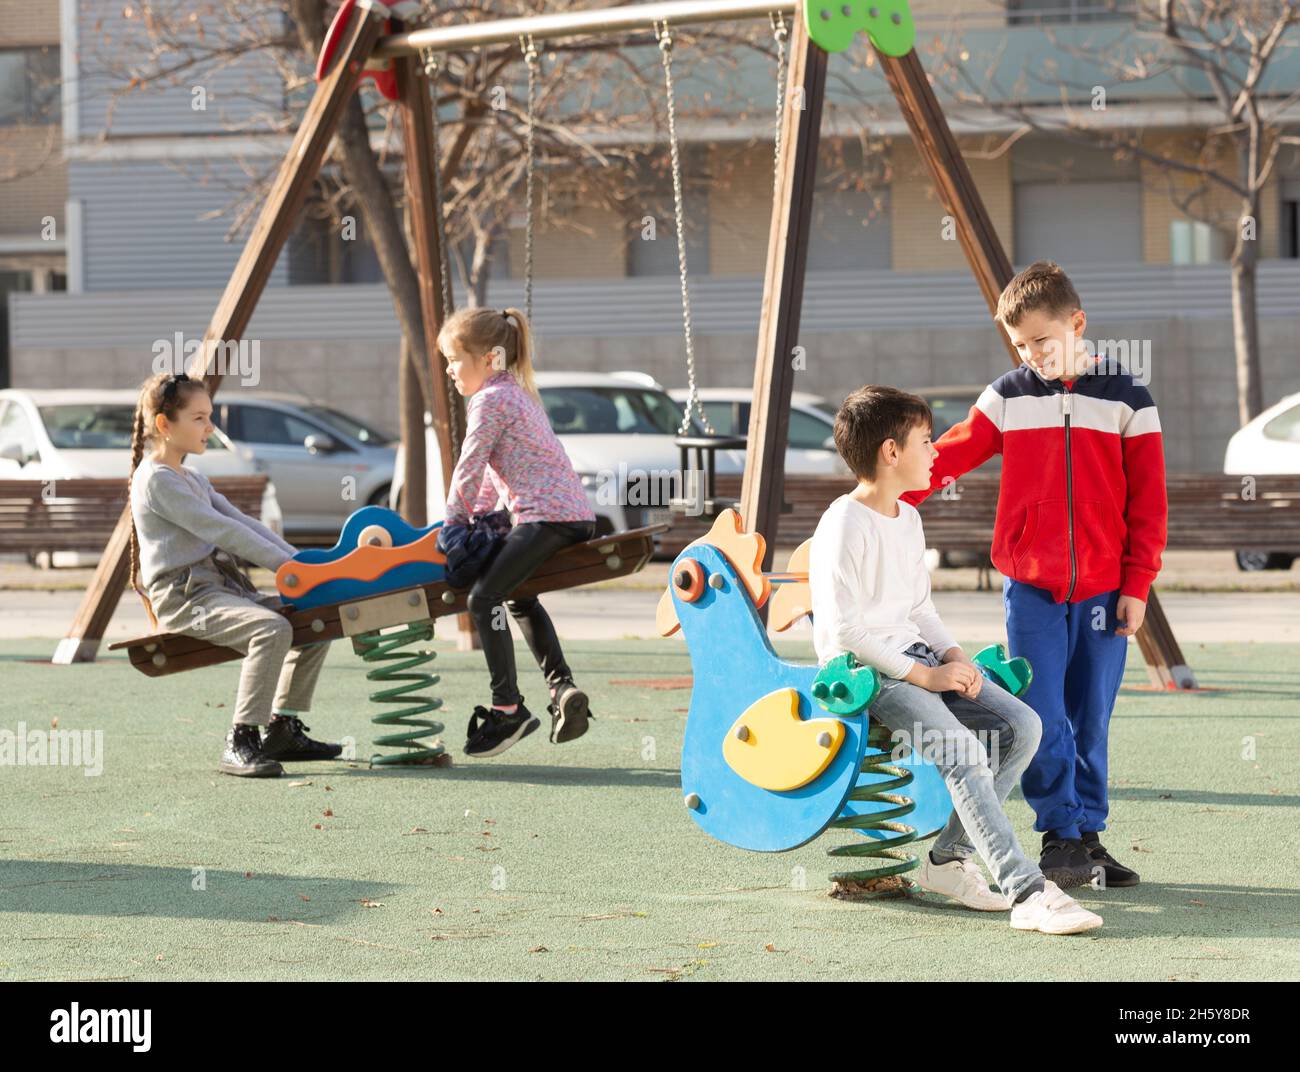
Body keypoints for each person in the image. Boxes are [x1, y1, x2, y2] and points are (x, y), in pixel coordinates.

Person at [902, 260, 1167, 889]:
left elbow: (1148, 502)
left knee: (1092, 714)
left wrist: (1137, 585)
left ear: (1077, 323)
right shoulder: (1008, 397)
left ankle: (1090, 837)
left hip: (1106, 590)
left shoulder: (1128, 397)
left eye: (1043, 340)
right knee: (1041, 712)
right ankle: (1058, 837)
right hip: (1032, 590)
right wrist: (884, 497)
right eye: (1021, 345)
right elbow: (946, 458)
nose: (1033, 354)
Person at [810, 384, 1102, 934]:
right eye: (926, 440)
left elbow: (919, 608)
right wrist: (927, 674)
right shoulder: (844, 522)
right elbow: (845, 630)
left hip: (918, 659)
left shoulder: (907, 519)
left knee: (1023, 724)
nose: (936, 452)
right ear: (890, 453)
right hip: (869, 675)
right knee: (962, 751)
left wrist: (956, 658)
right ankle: (1028, 894)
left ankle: (946, 862)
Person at [129, 371, 342, 778]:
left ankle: (283, 729)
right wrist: (286, 569)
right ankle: (240, 740)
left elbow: (244, 522)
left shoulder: (191, 477)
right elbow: (220, 530)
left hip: (219, 589)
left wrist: (304, 569)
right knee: (270, 629)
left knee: (320, 614)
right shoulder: (156, 480)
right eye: (199, 418)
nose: (210, 427)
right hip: (185, 601)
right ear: (164, 425)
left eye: (209, 416)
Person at [439, 307, 598, 758]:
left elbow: (469, 467)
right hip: (568, 514)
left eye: (455, 358)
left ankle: (507, 708)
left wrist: (453, 525)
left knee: (481, 599)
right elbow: (492, 473)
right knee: (517, 595)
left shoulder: (489, 400)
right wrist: (479, 514)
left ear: (489, 359)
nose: (450, 369)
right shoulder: (519, 394)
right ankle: (562, 689)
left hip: (545, 517)